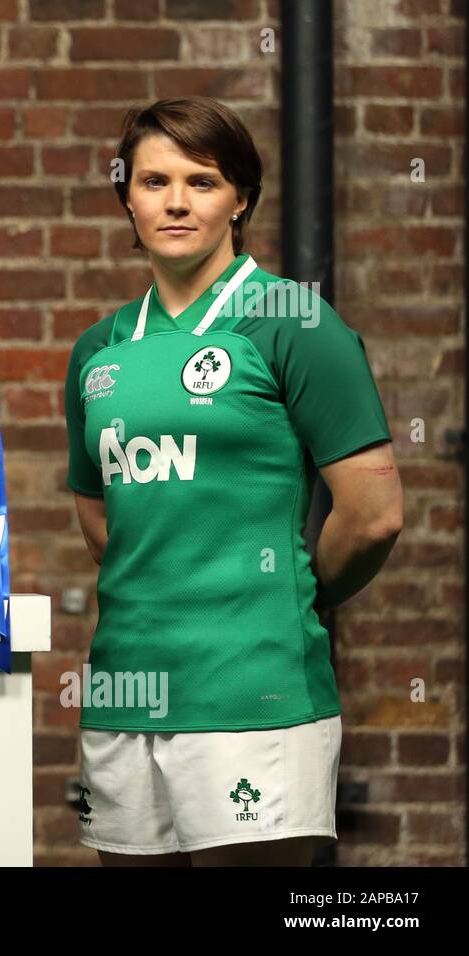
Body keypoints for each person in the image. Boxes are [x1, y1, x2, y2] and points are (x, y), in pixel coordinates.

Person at [63, 96, 403, 866]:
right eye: (154, 182)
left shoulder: (294, 321)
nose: (176, 201)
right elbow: (101, 521)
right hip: (124, 692)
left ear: (240, 197)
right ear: (127, 197)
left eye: (202, 181)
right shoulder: (97, 349)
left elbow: (374, 512)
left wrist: (289, 595)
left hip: (255, 692)